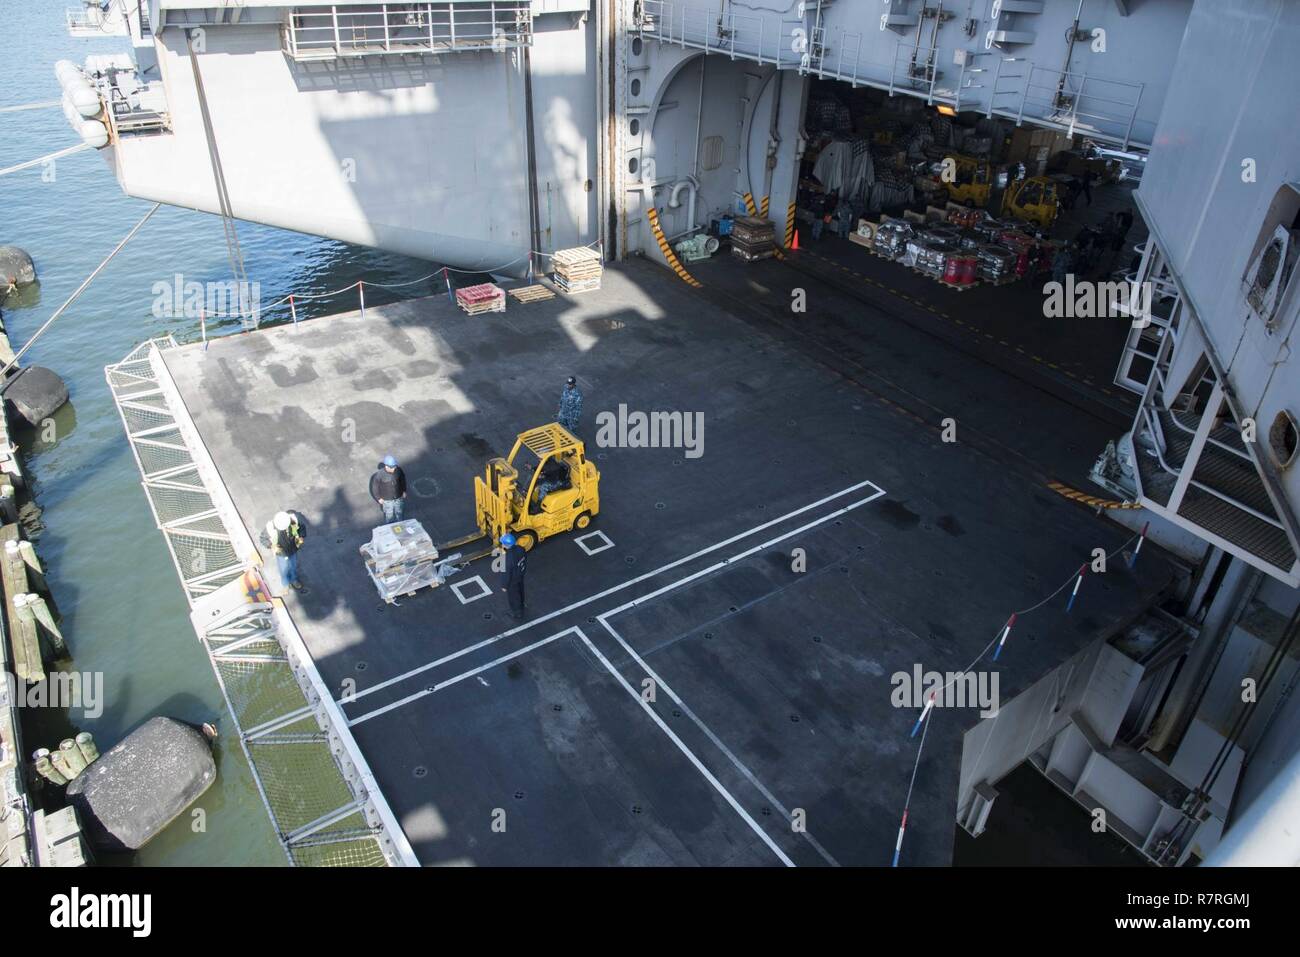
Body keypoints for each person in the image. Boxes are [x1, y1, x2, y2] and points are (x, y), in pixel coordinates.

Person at [261, 510, 307, 594]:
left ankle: (294, 580)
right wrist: (271, 545)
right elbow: (263, 538)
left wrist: (301, 536)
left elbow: (302, 528)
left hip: (293, 549)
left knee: (293, 566)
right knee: (283, 569)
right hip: (281, 553)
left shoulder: (293, 522)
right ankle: (285, 585)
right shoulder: (270, 528)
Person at [369, 454, 407, 522]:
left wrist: (404, 490)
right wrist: (378, 498)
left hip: (398, 497)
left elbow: (403, 480)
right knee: (389, 515)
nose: (394, 468)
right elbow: (375, 487)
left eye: (394, 466)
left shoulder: (398, 470)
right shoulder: (379, 475)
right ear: (386, 466)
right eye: (392, 467)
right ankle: (389, 526)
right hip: (387, 499)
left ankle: (400, 523)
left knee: (399, 512)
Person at [499, 531, 527, 620]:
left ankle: (517, 612)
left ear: (505, 545)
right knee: (521, 591)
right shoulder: (521, 549)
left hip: (512, 580)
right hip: (520, 575)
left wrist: (504, 586)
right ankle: (522, 604)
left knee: (514, 597)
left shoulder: (507, 558)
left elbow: (506, 574)